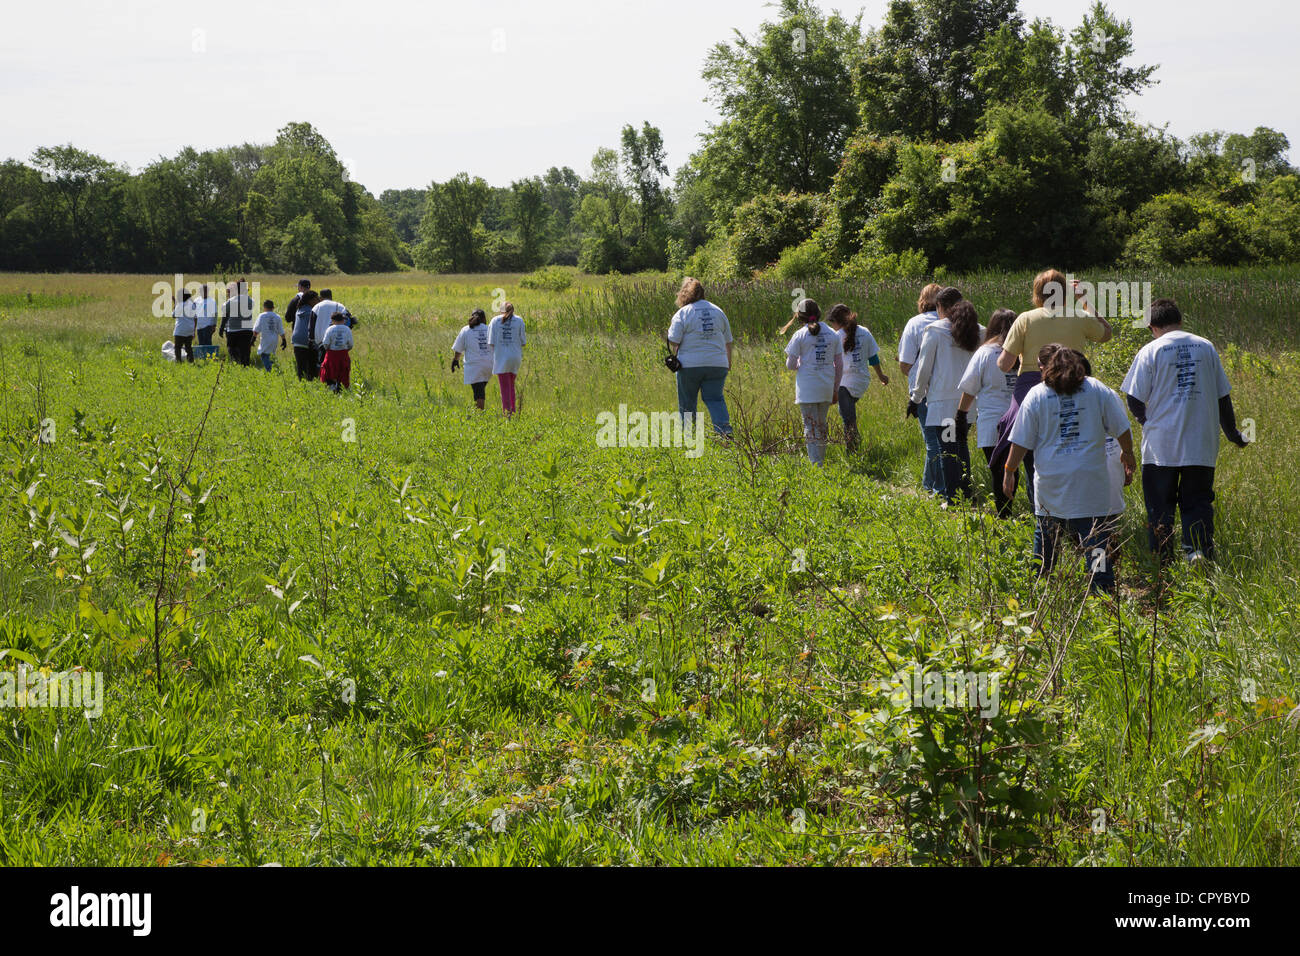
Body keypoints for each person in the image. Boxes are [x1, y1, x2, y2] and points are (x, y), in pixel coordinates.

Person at [1120, 297, 1249, 563]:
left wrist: (1148, 422)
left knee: (1160, 506)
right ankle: (1197, 552)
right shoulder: (1206, 347)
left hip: (1160, 447)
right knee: (1198, 502)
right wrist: (1233, 434)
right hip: (1200, 443)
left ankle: (1162, 560)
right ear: (1180, 321)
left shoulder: (1150, 351)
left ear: (1152, 327)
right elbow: (1222, 397)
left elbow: (1133, 398)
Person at [1004, 346, 1136, 593]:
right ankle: (1101, 590)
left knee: (1046, 537)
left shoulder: (1037, 395)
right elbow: (1122, 428)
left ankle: (1040, 585)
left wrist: (1009, 470)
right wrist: (1127, 454)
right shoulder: (1096, 389)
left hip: (1051, 483)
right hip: (1091, 482)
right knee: (1096, 538)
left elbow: (1021, 440)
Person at [992, 270, 1113, 507]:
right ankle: (1078, 510)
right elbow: (1106, 334)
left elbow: (1004, 365)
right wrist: (1085, 301)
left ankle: (1040, 510)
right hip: (1074, 387)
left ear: (1036, 294)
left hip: (1030, 388)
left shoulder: (1025, 319)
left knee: (1026, 446)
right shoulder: (1078, 315)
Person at [909, 293, 982, 502]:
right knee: (960, 445)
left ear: (940, 307)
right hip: (968, 402)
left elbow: (924, 370)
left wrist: (915, 398)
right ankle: (966, 493)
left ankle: (952, 498)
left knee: (948, 449)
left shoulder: (935, 330)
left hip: (944, 403)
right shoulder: (979, 331)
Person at [957, 308, 1018, 517]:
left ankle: (1004, 515)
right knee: (1014, 468)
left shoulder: (984, 353)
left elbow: (969, 388)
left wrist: (961, 416)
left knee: (997, 469)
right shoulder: (1022, 351)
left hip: (992, 421)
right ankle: (1017, 513)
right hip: (1019, 419)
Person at [666, 277, 733, 437]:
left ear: (683, 295)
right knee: (715, 399)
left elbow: (673, 340)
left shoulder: (682, 313)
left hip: (689, 365)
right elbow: (728, 341)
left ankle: (689, 436)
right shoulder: (718, 311)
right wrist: (728, 363)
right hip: (718, 363)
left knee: (687, 402)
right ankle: (725, 433)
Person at [784, 298, 843, 467]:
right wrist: (836, 389)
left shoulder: (800, 335)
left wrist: (800, 365)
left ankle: (815, 463)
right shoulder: (832, 333)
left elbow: (790, 365)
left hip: (807, 388)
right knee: (821, 424)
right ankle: (821, 460)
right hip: (826, 385)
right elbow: (839, 364)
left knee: (810, 426)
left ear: (800, 316)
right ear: (818, 313)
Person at [898, 283, 943, 492]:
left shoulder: (914, 324)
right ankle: (944, 486)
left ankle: (932, 488)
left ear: (922, 301)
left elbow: (905, 364)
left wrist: (916, 376)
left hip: (923, 391)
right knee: (948, 440)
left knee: (932, 441)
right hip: (950, 391)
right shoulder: (951, 323)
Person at [826, 304, 888, 454]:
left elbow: (831, 361)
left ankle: (852, 448)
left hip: (845, 381)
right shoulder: (865, 332)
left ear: (837, 321)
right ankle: (853, 443)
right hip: (862, 380)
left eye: (832, 323)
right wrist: (881, 376)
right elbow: (873, 357)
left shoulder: (837, 335)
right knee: (846, 412)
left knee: (848, 418)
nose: (832, 327)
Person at [488, 301, 526, 416]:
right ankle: (513, 411)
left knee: (504, 387)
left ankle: (507, 413)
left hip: (501, 357)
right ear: (513, 310)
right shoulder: (519, 320)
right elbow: (523, 342)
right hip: (515, 357)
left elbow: (491, 342)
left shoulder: (495, 321)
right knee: (510, 386)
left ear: (501, 310)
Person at [452, 308, 494, 410]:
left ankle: (479, 414)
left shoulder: (466, 330)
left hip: (474, 366)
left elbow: (458, 349)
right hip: (489, 365)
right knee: (479, 389)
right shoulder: (489, 329)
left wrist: (455, 360)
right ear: (484, 319)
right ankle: (476, 412)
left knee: (478, 391)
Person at [219, 279, 257, 366]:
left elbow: (224, 313)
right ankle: (245, 366)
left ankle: (236, 364)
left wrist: (221, 328)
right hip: (247, 329)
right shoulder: (251, 301)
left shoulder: (231, 301)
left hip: (233, 330)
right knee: (246, 350)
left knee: (232, 349)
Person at [319, 311, 354, 392]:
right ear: (342, 320)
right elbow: (351, 344)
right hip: (343, 354)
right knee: (343, 371)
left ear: (332, 320)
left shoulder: (330, 329)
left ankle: (332, 387)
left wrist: (329, 349)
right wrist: (345, 349)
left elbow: (325, 343)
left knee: (330, 371)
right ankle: (341, 388)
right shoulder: (347, 329)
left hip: (331, 354)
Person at [291, 290, 322, 380]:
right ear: (311, 300)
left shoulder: (299, 309)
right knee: (312, 368)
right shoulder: (313, 311)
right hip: (308, 341)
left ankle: (302, 387)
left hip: (297, 341)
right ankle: (311, 384)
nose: (318, 301)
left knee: (301, 368)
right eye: (317, 299)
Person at [254, 299, 285, 372]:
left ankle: (270, 370)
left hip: (265, 339)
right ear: (273, 307)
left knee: (264, 354)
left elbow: (256, 330)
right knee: (271, 355)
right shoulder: (277, 317)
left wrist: (253, 339)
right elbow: (281, 330)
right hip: (274, 340)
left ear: (264, 307)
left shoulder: (261, 316)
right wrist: (284, 340)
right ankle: (274, 369)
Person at [171, 289, 196, 363]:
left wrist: (175, 303)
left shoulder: (180, 305)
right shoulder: (192, 305)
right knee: (188, 347)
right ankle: (191, 361)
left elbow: (174, 315)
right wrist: (194, 330)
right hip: (190, 329)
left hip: (180, 329)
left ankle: (179, 361)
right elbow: (195, 318)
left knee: (177, 347)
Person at [194, 283, 219, 348]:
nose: (203, 292)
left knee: (207, 343)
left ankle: (209, 357)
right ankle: (203, 357)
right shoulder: (196, 300)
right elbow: (194, 314)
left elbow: (215, 314)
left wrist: (214, 325)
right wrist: (194, 327)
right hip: (199, 326)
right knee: (201, 344)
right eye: (202, 290)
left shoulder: (212, 301)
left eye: (205, 290)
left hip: (208, 326)